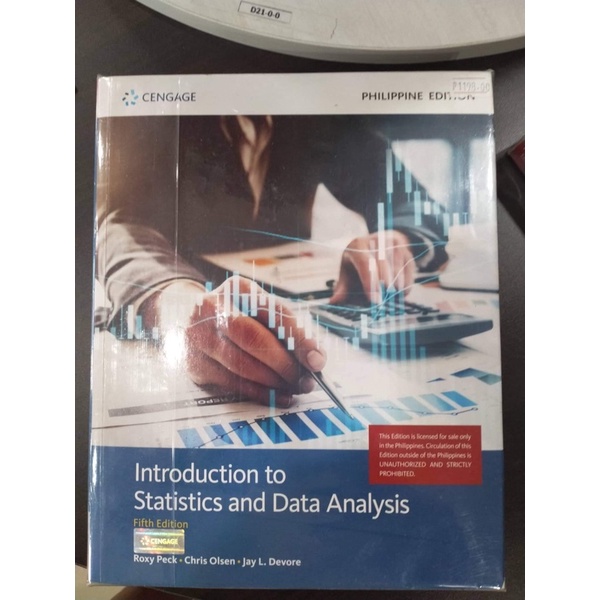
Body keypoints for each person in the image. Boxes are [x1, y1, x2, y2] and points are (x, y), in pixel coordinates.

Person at [95, 114, 448, 406]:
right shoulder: (153, 112)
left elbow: (416, 204)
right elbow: (119, 223)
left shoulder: (319, 110)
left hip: (297, 319)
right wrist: (175, 300)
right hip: (192, 311)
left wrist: (397, 241)